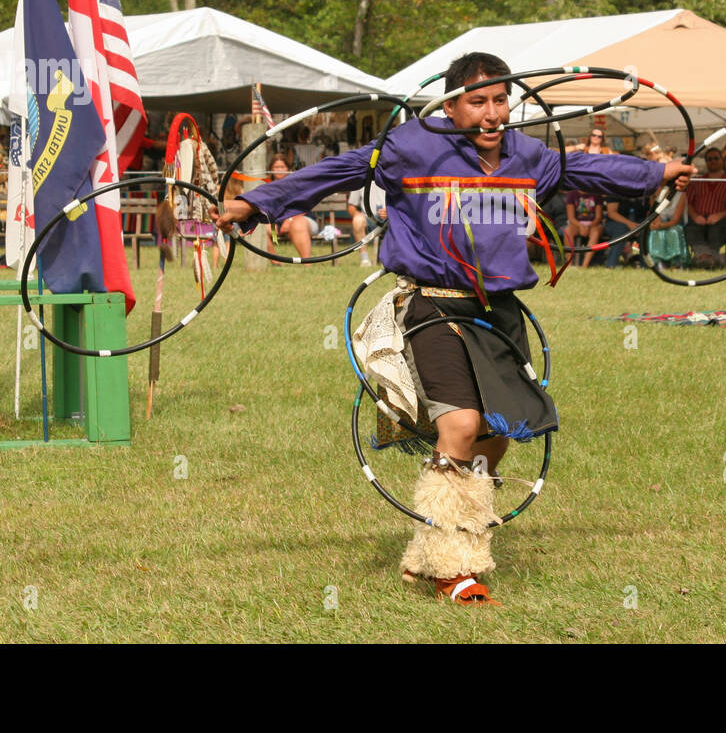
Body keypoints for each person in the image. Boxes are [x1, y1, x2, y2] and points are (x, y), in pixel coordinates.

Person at [214, 52, 693, 606]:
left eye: (499, 100)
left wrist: (657, 172)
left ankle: (433, 540)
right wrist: (255, 200)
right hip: (432, 309)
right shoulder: (411, 147)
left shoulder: (528, 154)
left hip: (499, 314)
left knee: (500, 429)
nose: (492, 114)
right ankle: (453, 570)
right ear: (450, 103)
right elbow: (335, 171)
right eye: (478, 101)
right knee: (461, 425)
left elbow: (588, 169)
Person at [685, 148, 726, 268]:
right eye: (709, 159)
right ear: (706, 162)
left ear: (722, 160)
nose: (713, 161)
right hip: (698, 220)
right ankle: (712, 258)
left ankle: (704, 258)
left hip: (721, 221)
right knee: (691, 230)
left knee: (716, 231)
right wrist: (695, 216)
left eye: (716, 158)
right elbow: (687, 202)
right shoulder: (697, 181)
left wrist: (718, 216)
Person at [346, 182, 387, 267]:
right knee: (358, 220)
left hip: (390, 220)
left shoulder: (391, 176)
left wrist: (390, 212)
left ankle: (391, 260)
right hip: (369, 220)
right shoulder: (361, 179)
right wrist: (357, 214)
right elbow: (351, 207)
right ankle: (365, 260)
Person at [563, 189, 603, 268]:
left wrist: (588, 227)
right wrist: (581, 226)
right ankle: (569, 264)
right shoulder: (571, 194)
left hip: (594, 224)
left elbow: (598, 217)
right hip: (576, 224)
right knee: (567, 231)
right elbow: (571, 217)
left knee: (595, 233)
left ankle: (584, 266)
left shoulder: (597, 194)